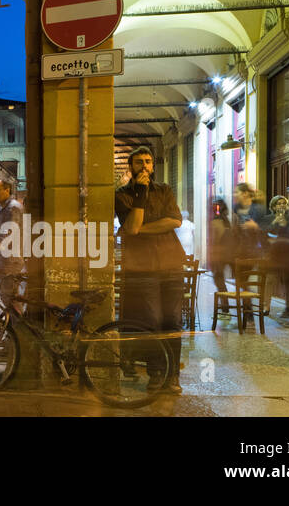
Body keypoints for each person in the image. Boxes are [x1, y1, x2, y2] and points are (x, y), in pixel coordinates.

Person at [115, 146, 184, 395]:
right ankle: (157, 374)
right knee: (152, 322)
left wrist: (141, 229)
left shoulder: (165, 190)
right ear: (130, 167)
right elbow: (130, 225)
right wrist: (141, 194)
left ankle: (173, 376)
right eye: (138, 162)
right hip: (143, 268)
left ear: (153, 166)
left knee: (173, 322)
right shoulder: (122, 195)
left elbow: (175, 220)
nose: (144, 166)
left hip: (171, 264)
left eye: (147, 162)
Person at [0, 178, 25, 309]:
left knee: (10, 300)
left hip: (10, 262)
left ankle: (18, 328)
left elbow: (7, 233)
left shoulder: (12, 208)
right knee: (8, 299)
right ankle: (14, 327)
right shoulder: (5, 208)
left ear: (7, 190)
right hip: (5, 262)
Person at [266, 195, 289, 319]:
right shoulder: (268, 218)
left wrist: (285, 224)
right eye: (279, 203)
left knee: (288, 283)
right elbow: (265, 235)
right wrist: (274, 222)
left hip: (287, 257)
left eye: (284, 203)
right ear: (273, 206)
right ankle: (266, 306)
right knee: (269, 280)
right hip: (273, 256)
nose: (281, 205)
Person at [207, 197, 234, 294]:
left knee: (218, 278)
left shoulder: (216, 220)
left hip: (220, 254)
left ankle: (224, 302)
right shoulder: (227, 219)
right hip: (230, 253)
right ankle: (245, 304)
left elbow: (215, 238)